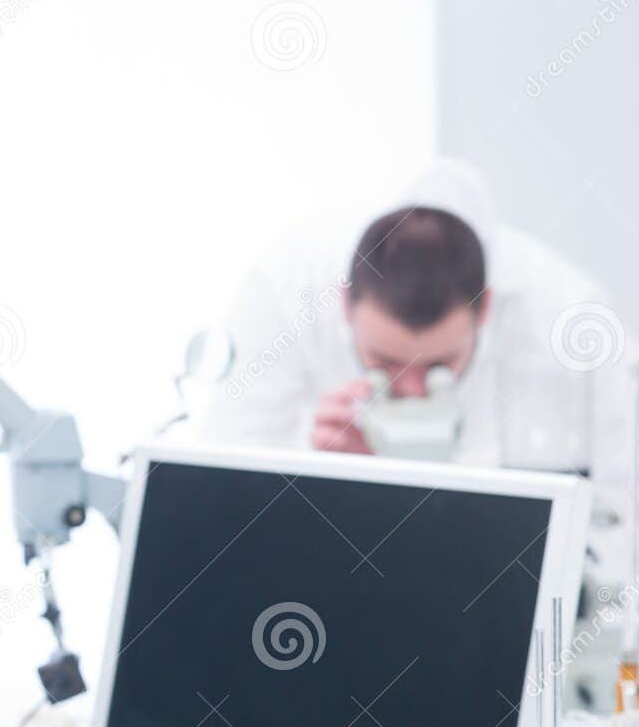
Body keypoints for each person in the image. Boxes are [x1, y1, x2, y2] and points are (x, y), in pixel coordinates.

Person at [203, 161, 630, 496]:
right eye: (385, 362)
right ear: (345, 303)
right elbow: (226, 488)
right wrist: (316, 469)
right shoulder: (282, 294)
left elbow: (618, 509)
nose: (411, 389)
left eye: (438, 365)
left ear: (485, 309)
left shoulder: (574, 319)